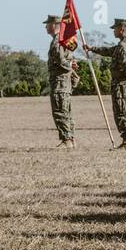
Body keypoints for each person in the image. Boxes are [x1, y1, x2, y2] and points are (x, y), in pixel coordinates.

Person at [86, 18, 126, 150]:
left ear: (122, 29)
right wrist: (92, 49)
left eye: (115, 28)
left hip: (123, 83)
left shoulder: (123, 45)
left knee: (122, 112)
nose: (113, 31)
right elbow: (108, 51)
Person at [45, 14, 78, 149]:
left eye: (47, 24)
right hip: (64, 81)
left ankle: (67, 140)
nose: (46, 27)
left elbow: (60, 61)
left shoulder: (57, 41)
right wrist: (72, 65)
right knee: (66, 111)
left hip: (59, 82)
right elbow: (70, 58)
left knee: (60, 111)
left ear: (54, 25)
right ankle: (71, 139)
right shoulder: (65, 39)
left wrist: (70, 66)